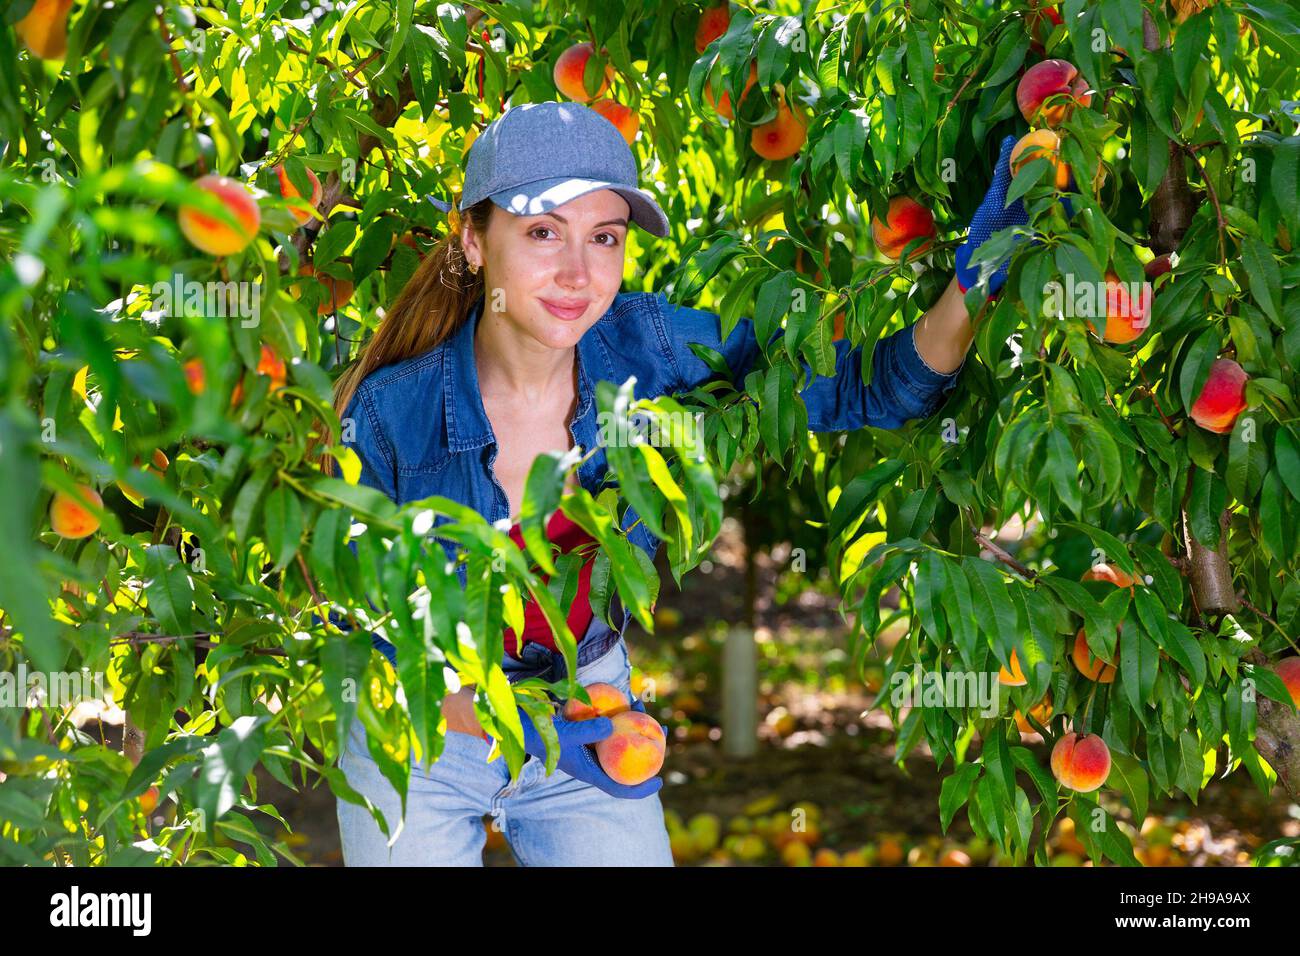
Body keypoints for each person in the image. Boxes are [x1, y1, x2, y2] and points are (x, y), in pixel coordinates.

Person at [331, 100, 1028, 866]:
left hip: (583, 696)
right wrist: (511, 720)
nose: (577, 273)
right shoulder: (389, 415)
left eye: (604, 237)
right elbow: (353, 645)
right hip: (425, 726)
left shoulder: (649, 350)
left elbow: (873, 385)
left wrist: (976, 276)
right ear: (472, 240)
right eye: (541, 233)